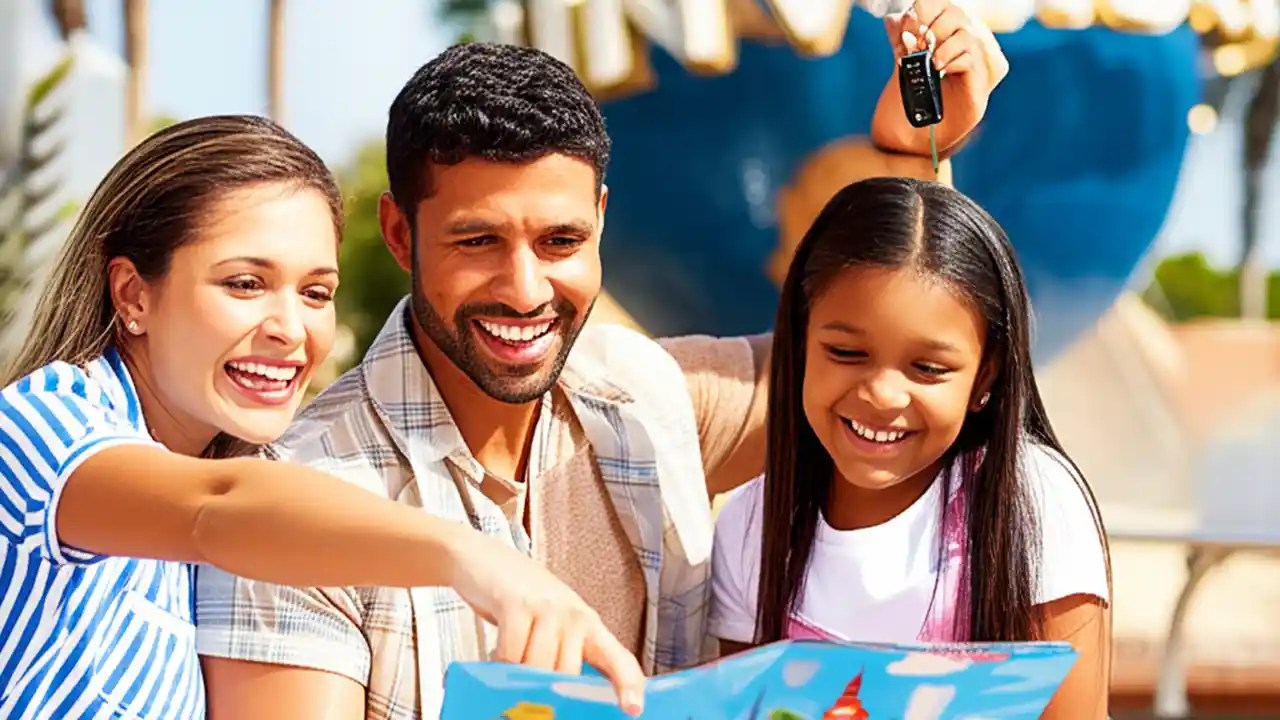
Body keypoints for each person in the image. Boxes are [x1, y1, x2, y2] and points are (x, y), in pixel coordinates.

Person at [195, 3, 1008, 718]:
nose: (524, 289)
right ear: (403, 235)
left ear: (601, 221)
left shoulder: (647, 394)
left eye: (561, 241)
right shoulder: (297, 504)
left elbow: (862, 376)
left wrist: (910, 150)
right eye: (478, 241)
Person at [0, 114, 644, 720]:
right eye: (245, 284)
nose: (290, 330)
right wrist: (480, 560)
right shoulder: (43, 429)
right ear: (133, 293)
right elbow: (217, 508)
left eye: (314, 293)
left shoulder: (210, 478)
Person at [709, 177, 1112, 718]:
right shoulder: (750, 525)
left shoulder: (1034, 501)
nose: (881, 394)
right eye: (847, 352)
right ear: (800, 342)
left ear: (984, 375)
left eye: (929, 368)